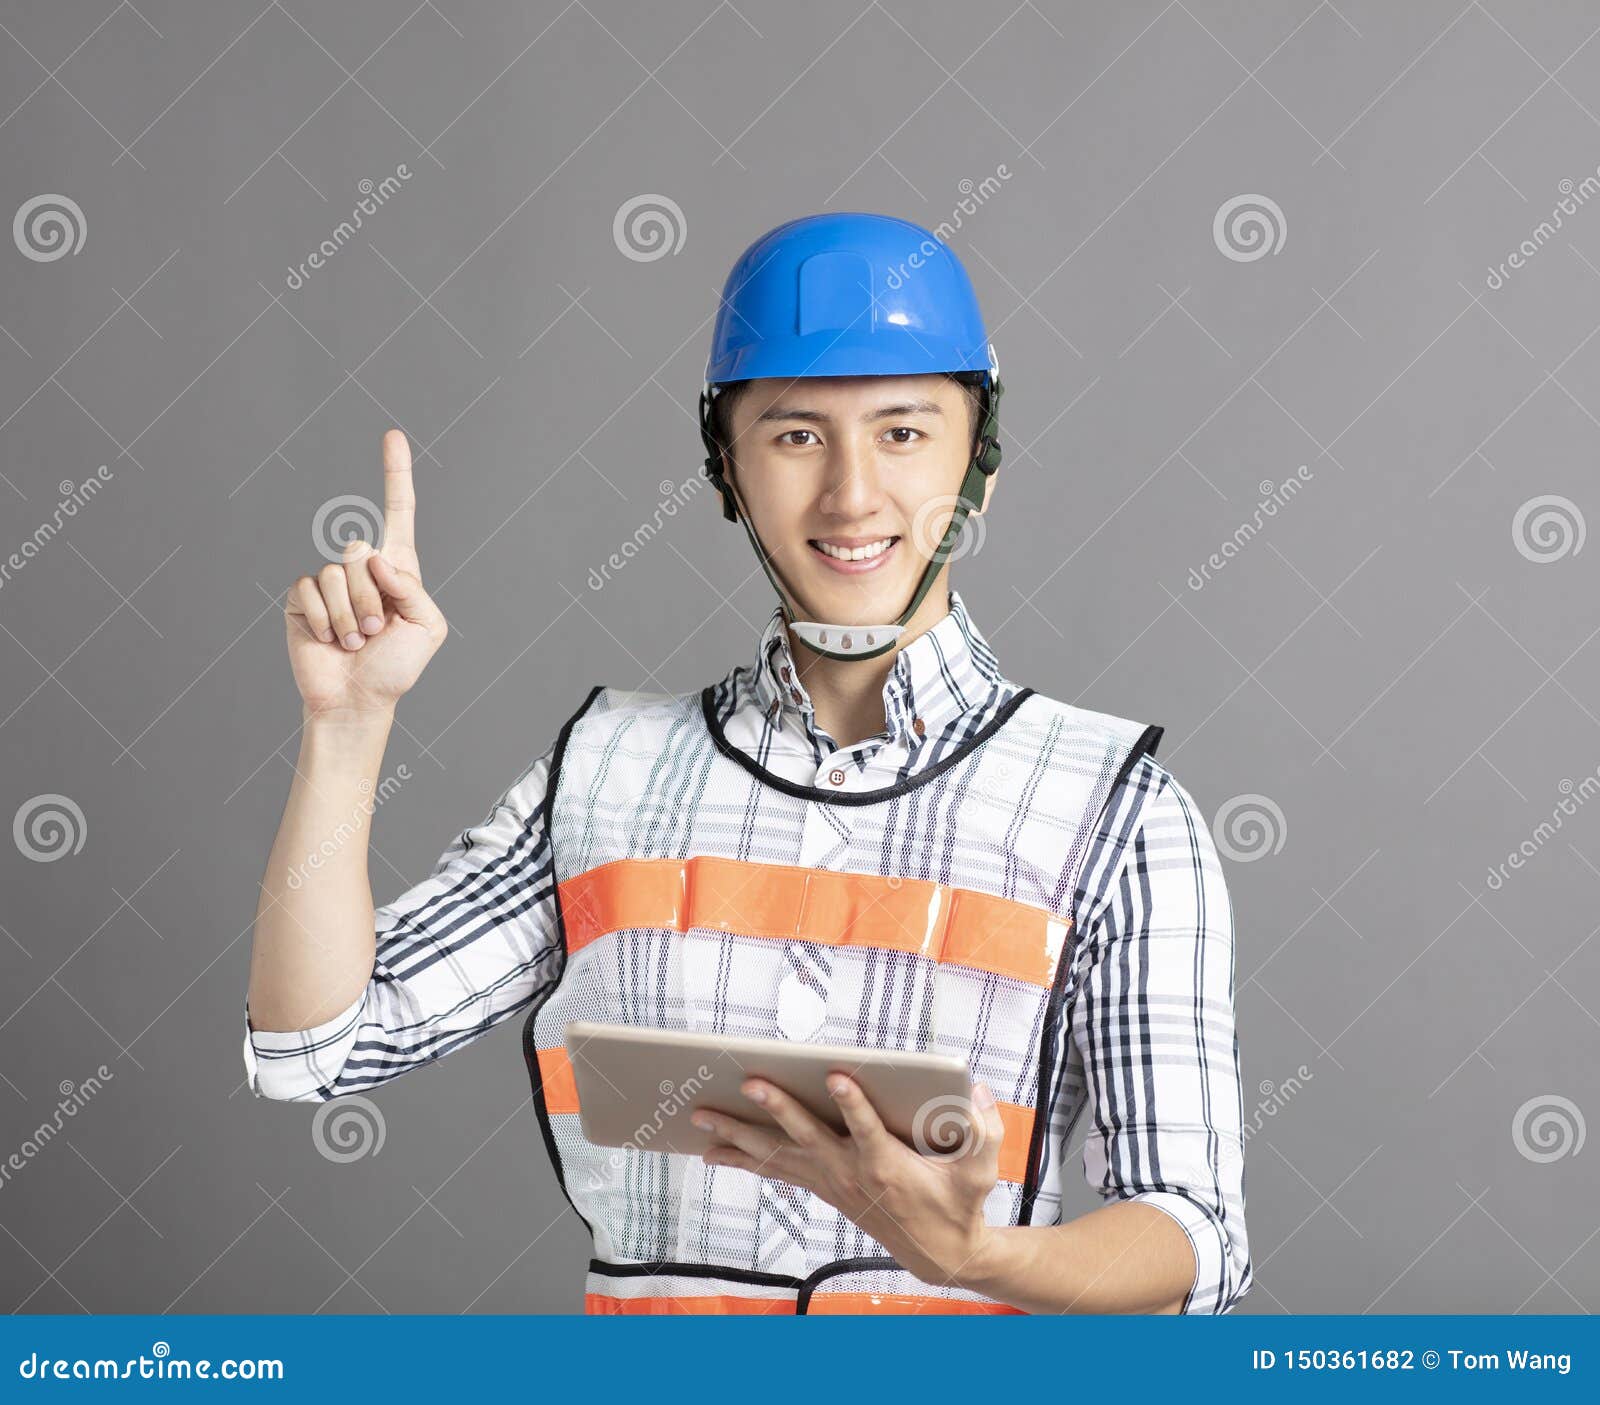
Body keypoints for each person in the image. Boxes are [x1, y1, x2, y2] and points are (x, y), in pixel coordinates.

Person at [244, 212, 1251, 1315]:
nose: (852, 495)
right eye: (795, 435)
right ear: (724, 469)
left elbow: (1195, 1239)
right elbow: (317, 1050)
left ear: (983, 465)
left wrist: (978, 1258)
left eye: (905, 433)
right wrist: (346, 734)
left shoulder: (1116, 809)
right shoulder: (606, 775)